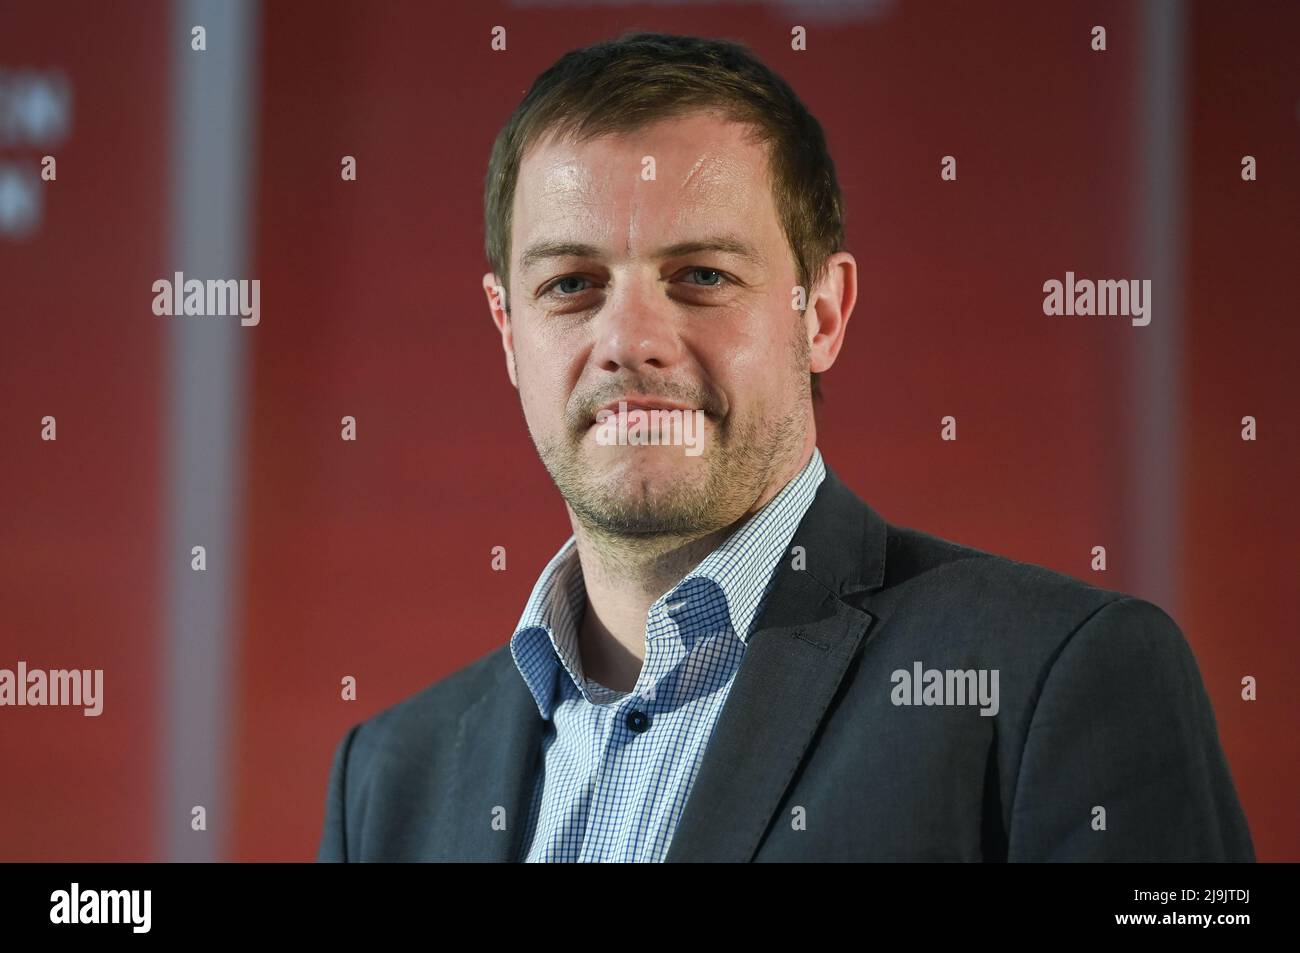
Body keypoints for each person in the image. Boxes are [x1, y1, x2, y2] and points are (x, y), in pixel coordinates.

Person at [316, 31, 1254, 862]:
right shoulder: (386, 783)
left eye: (701, 275)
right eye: (570, 284)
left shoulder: (1061, 679)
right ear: (507, 330)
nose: (631, 338)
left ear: (825, 314)